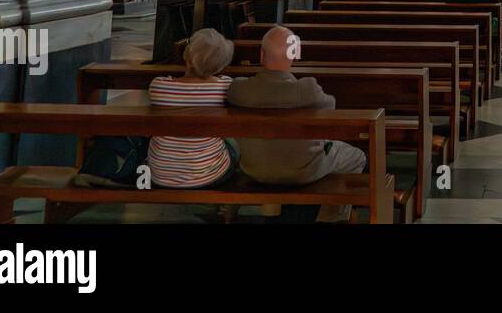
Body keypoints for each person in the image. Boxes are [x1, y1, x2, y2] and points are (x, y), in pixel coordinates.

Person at [228, 26, 368, 222]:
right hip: (303, 170)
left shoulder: (239, 90)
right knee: (357, 157)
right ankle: (332, 217)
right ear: (293, 55)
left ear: (261, 55)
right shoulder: (308, 90)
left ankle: (273, 213)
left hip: (254, 168)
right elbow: (330, 108)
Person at [146, 28, 237, 189]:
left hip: (161, 173)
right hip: (209, 174)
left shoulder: (159, 85)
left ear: (187, 56)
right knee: (235, 145)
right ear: (220, 65)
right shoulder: (226, 87)